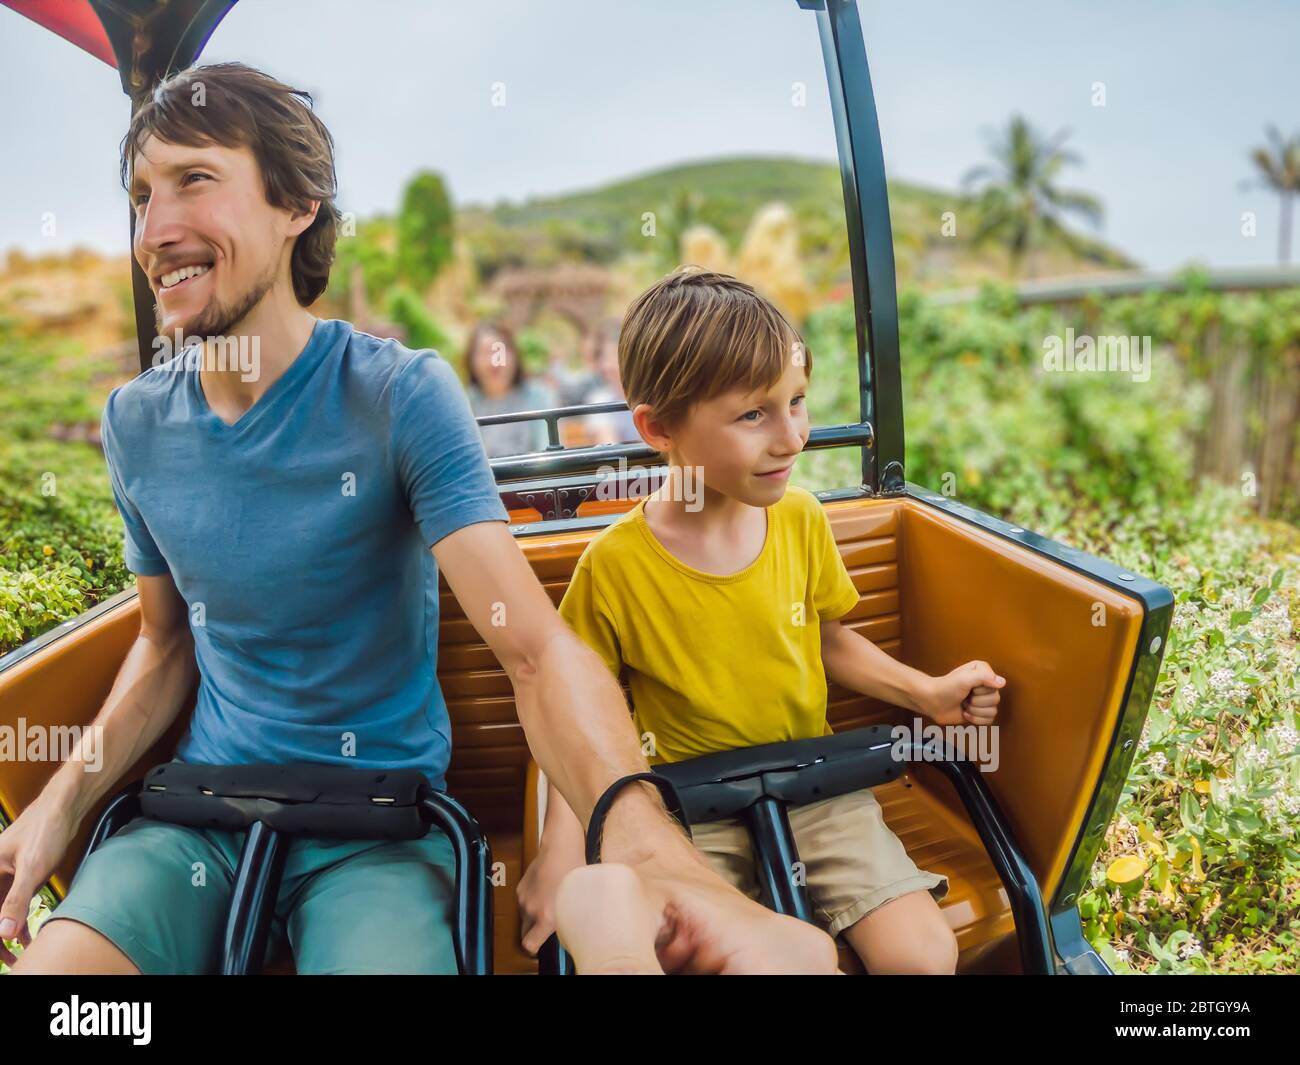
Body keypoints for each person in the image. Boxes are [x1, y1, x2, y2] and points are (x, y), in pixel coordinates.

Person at [0, 65, 836, 976]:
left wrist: (647, 845)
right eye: (140, 196)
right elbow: (165, 646)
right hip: (199, 817)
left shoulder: (398, 394)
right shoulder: (136, 423)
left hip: (378, 826)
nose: (154, 231)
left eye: (195, 180)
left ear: (296, 207)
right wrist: (58, 803)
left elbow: (534, 647)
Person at [517, 268, 1007, 973]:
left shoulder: (801, 520)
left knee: (922, 953)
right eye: (754, 415)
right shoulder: (614, 565)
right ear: (659, 427)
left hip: (818, 787)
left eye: (798, 403)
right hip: (691, 810)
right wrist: (560, 847)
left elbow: (827, 636)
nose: (792, 437)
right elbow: (572, 711)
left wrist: (926, 693)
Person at [464, 322, 556, 459]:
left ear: (514, 355)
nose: (493, 361)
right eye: (484, 353)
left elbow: (548, 453)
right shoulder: (465, 403)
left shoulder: (538, 396)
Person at [581, 318, 639, 446]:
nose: (607, 364)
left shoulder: (652, 396)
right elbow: (610, 448)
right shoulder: (600, 401)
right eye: (604, 357)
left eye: (615, 355)